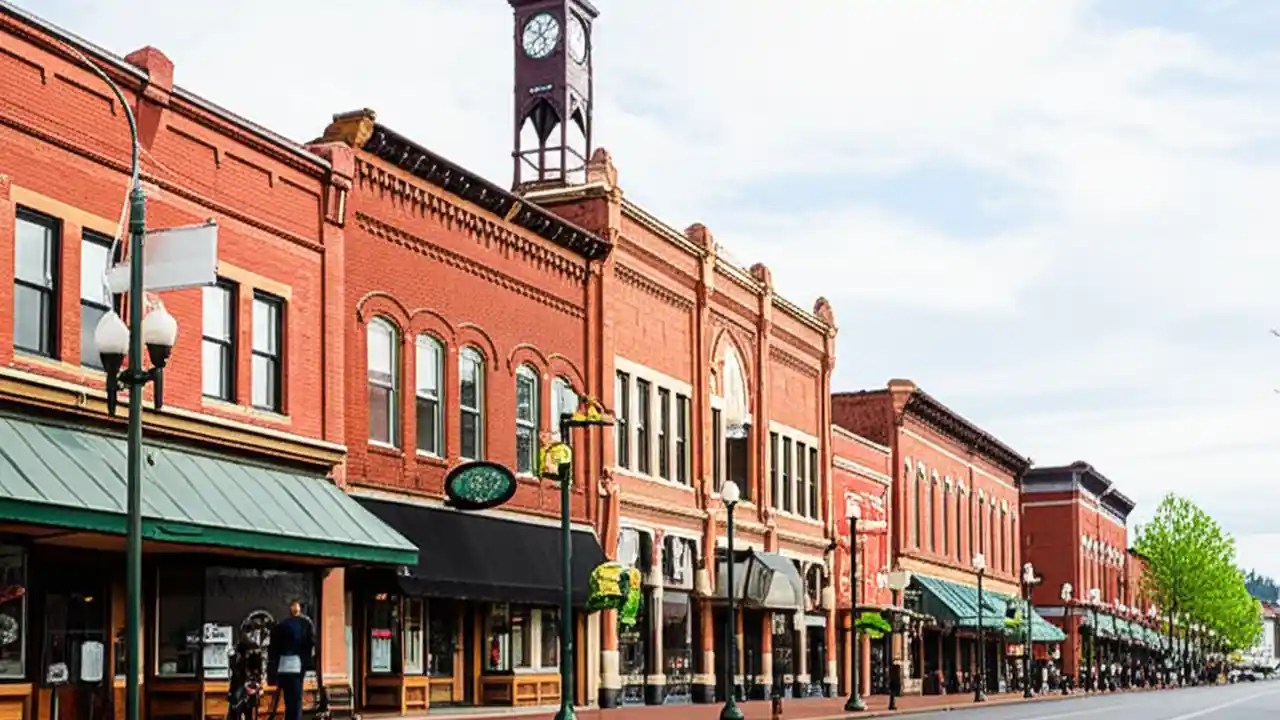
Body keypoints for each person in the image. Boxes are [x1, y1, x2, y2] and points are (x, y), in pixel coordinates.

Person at [268, 599, 315, 720]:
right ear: (299, 609)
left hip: (282, 666)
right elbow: (309, 644)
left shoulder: (281, 625)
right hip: (296, 665)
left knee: (288, 701)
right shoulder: (305, 624)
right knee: (296, 701)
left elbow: (274, 647)